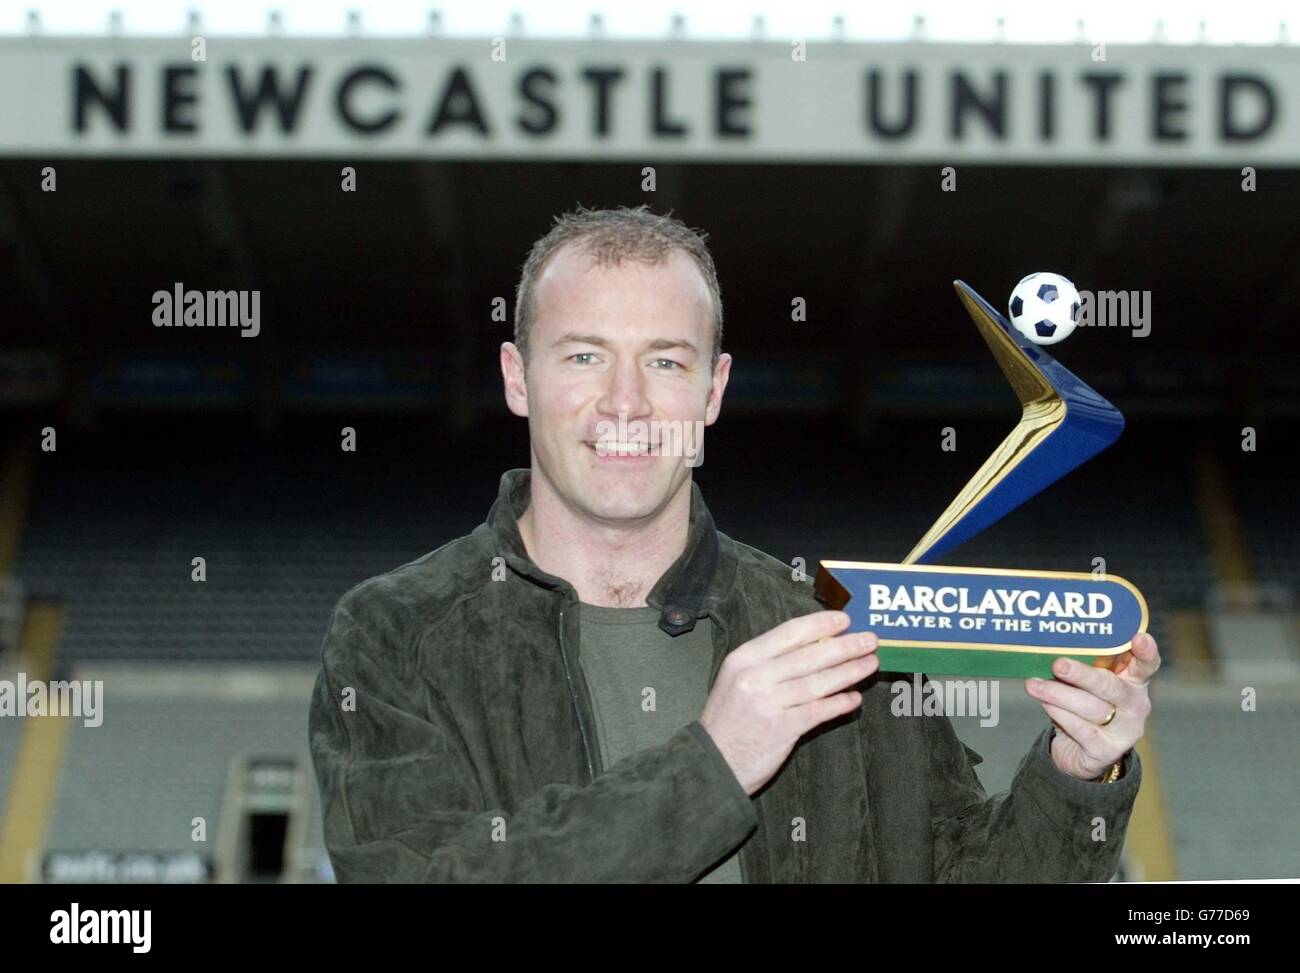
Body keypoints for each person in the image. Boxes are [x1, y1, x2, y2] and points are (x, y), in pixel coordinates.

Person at [308, 205, 1159, 883]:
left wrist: (1076, 776)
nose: (627, 403)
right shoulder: (393, 635)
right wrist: (715, 764)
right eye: (583, 357)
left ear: (714, 389)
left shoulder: (836, 635)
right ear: (515, 377)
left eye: (667, 363)